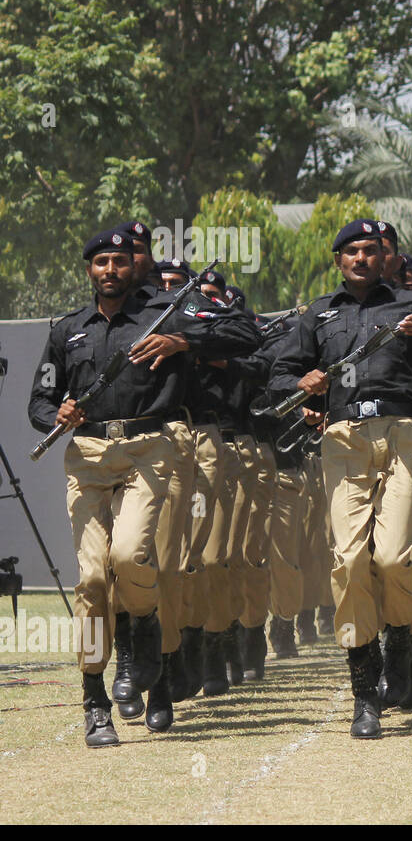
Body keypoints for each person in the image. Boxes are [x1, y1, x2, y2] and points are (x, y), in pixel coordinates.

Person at [269, 219, 412, 738]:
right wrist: (300, 382)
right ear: (338, 261)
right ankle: (363, 689)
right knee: (349, 560)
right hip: (343, 438)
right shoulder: (317, 316)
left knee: (396, 557)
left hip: (406, 433)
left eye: (370, 251)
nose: (360, 259)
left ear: (386, 258)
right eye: (350, 251)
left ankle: (400, 636)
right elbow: (278, 374)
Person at [28, 229, 259, 746]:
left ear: (135, 266)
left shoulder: (166, 312)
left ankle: (145, 629)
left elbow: (247, 334)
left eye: (119, 260)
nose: (110, 269)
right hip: (87, 456)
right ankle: (94, 696)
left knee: (134, 557)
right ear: (88, 270)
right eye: (100, 262)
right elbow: (39, 402)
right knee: (90, 580)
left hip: (149, 449)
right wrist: (56, 413)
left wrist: (185, 341)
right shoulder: (68, 330)